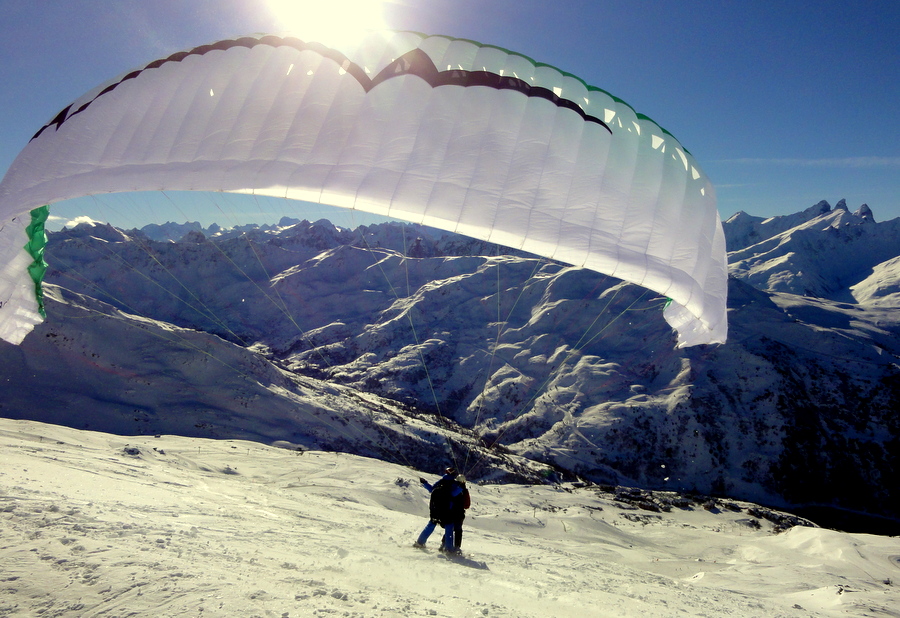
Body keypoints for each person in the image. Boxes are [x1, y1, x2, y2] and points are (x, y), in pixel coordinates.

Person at [413, 467, 461, 551]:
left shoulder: (441, 482)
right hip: (447, 511)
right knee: (449, 528)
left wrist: (425, 483)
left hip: (435, 510)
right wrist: (462, 486)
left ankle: (420, 543)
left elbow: (431, 489)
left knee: (430, 525)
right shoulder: (454, 484)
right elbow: (453, 494)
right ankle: (448, 549)